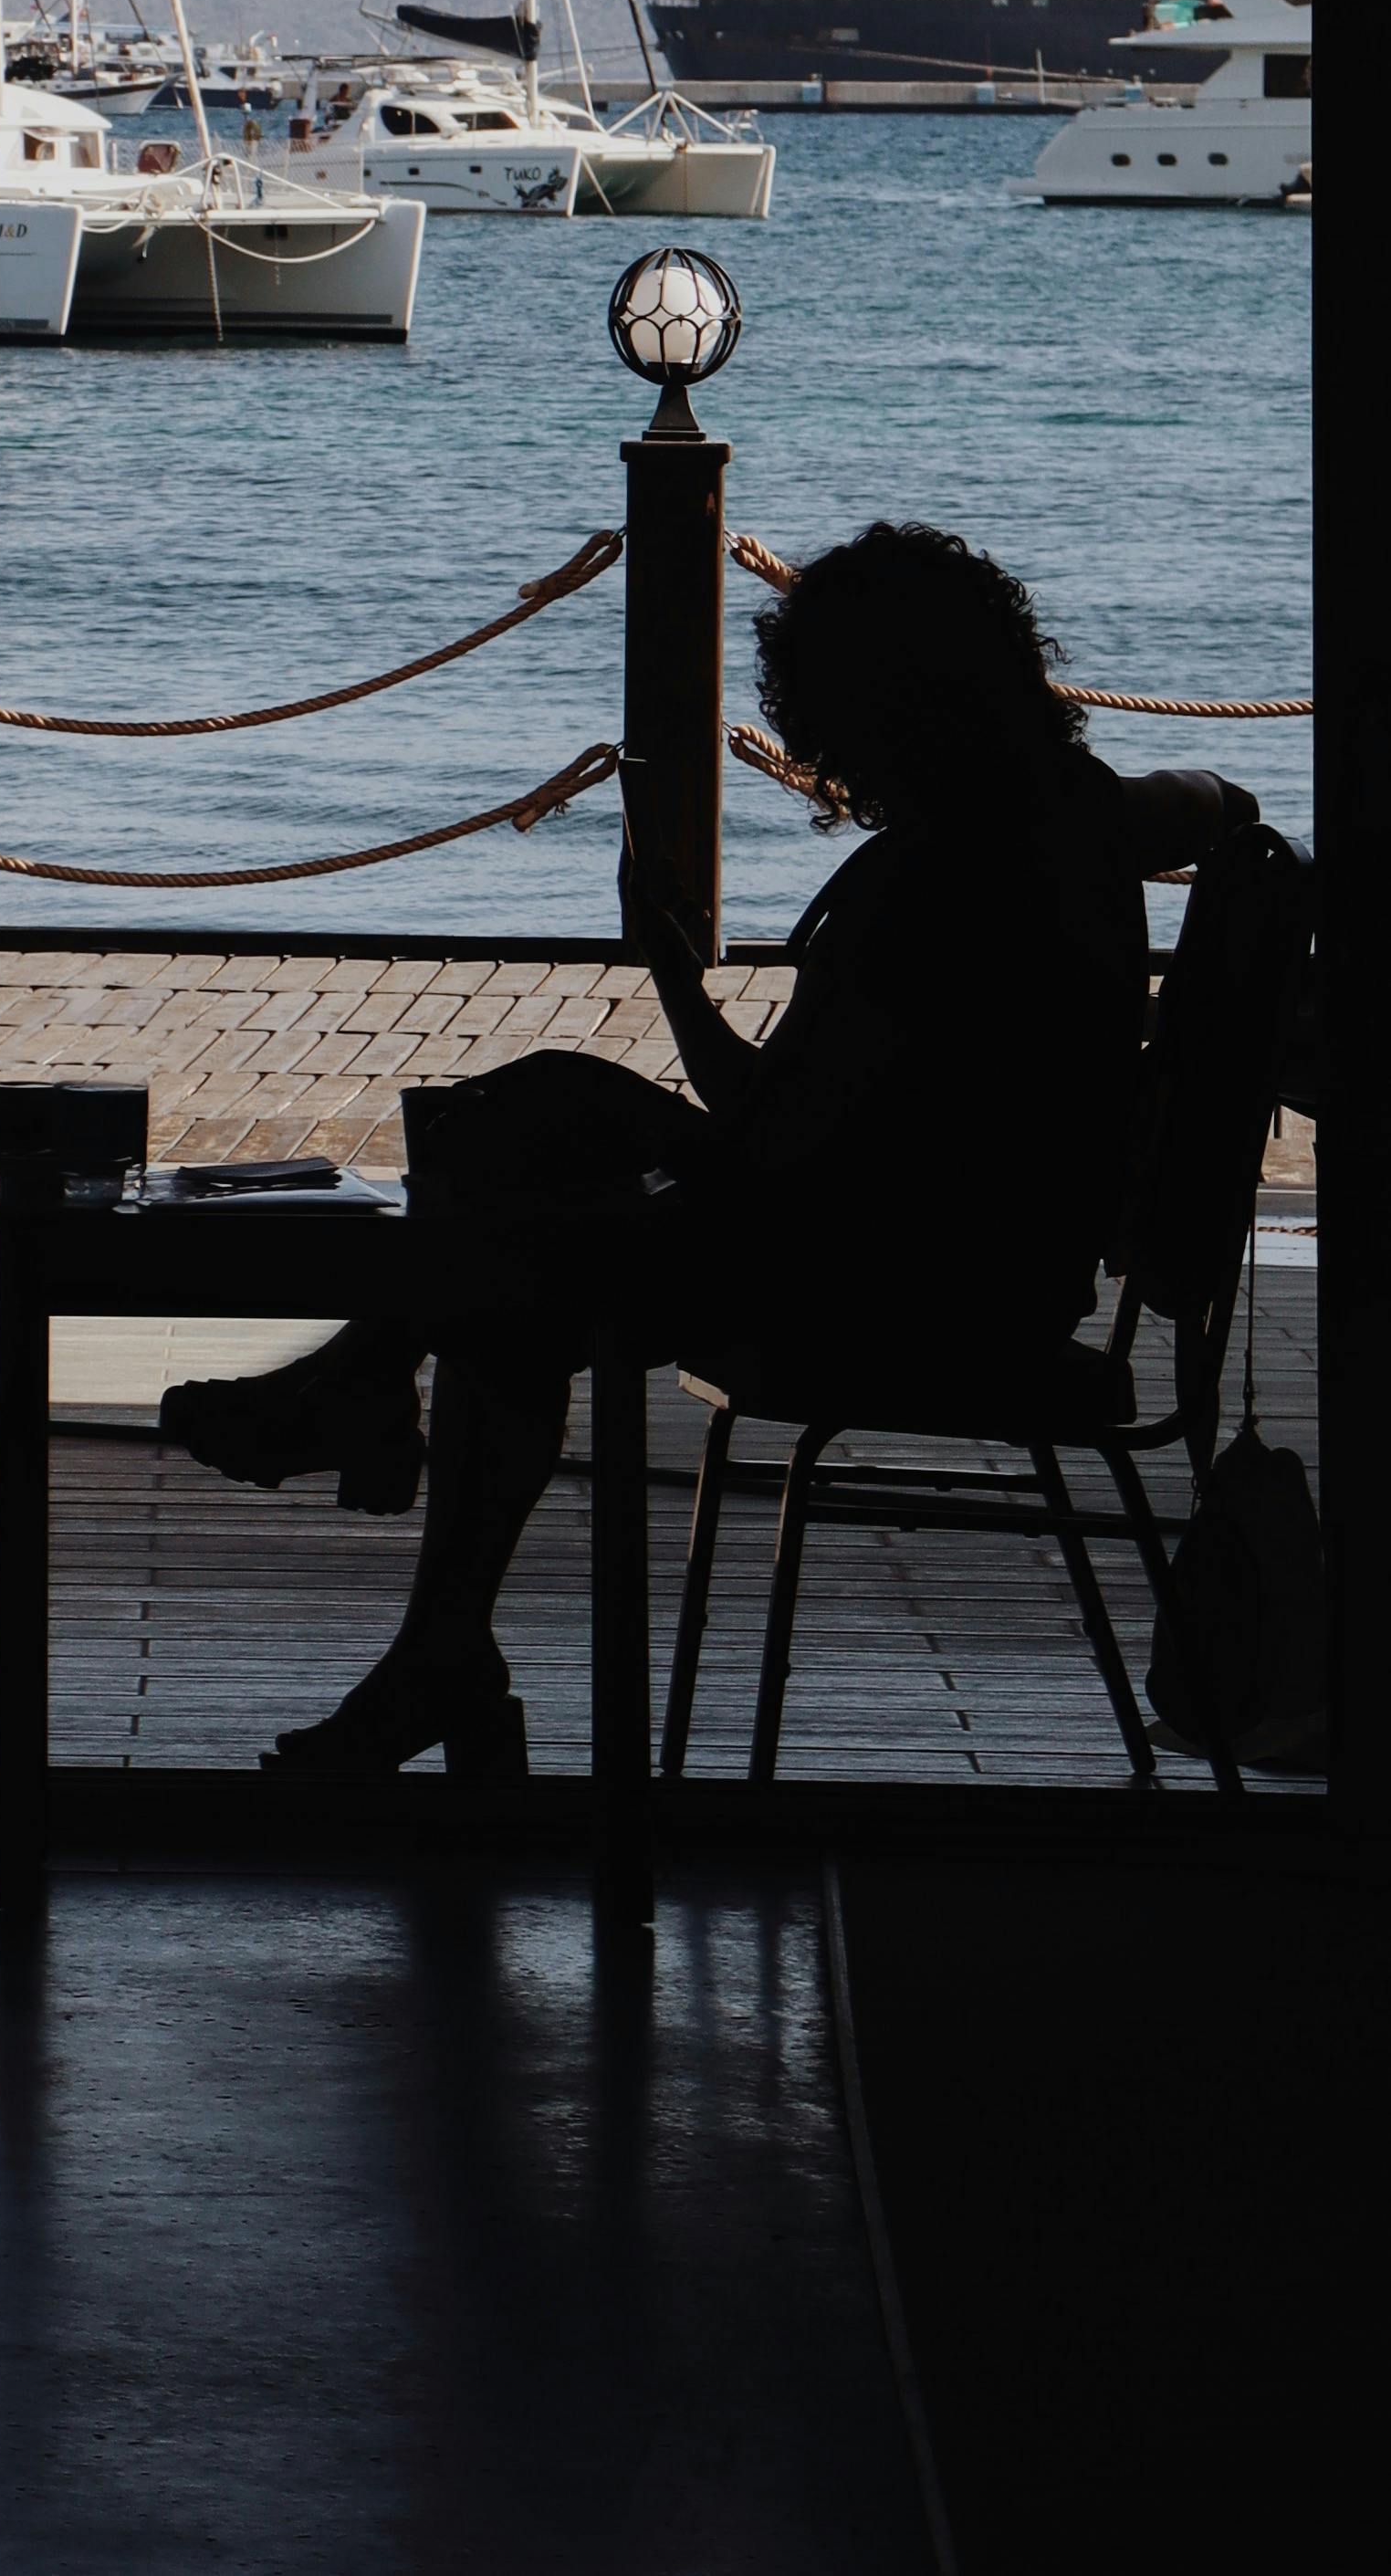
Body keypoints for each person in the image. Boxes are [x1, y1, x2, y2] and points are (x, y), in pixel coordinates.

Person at [157, 519, 1258, 1778]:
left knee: (520, 1221)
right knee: (537, 1147)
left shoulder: (929, 888)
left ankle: (387, 1480)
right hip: (970, 1253)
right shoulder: (1072, 819)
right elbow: (1222, 799)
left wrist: (671, 977)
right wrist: (1210, 817)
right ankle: (391, 1499)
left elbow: (762, 1135)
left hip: (898, 1288)